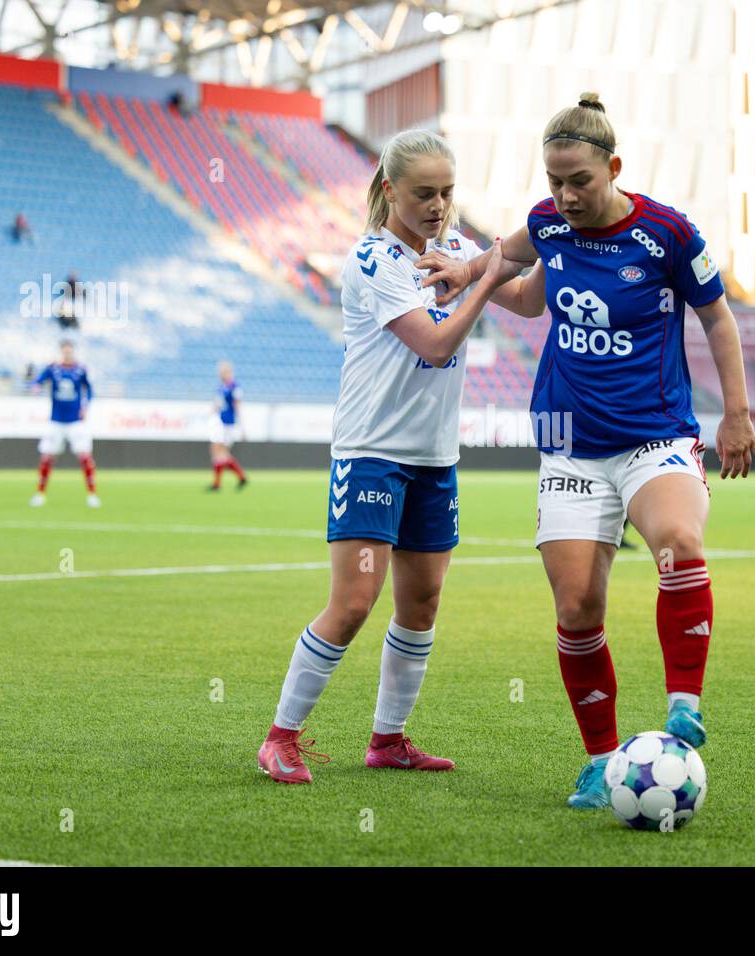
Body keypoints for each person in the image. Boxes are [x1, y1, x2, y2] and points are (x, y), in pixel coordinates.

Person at [420, 93, 755, 809]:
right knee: (578, 606)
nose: (566, 196)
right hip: (569, 447)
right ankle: (602, 761)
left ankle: (684, 704)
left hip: (655, 436)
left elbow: (718, 320)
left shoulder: (669, 233)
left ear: (613, 167)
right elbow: (507, 269)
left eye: (580, 180)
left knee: (679, 543)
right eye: (554, 181)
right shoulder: (549, 224)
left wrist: (736, 413)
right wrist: (468, 277)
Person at [256, 129, 539, 784]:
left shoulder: (458, 250)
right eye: (424, 193)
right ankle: (280, 737)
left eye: (447, 193)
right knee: (355, 601)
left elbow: (525, 300)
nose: (439, 206)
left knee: (422, 604)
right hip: (372, 453)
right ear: (389, 190)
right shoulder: (373, 261)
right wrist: (490, 272)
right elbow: (435, 345)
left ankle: (387, 740)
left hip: (434, 458)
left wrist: (563, 239)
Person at [28, 340, 100, 508]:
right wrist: (35, 386)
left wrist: (85, 406)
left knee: (85, 457)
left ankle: (92, 494)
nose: (67, 354)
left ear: (73, 352)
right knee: (47, 458)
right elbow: (37, 381)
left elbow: (89, 390)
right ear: (61, 352)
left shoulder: (81, 369)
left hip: (76, 421)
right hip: (56, 420)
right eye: (64, 351)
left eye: (69, 351)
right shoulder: (52, 369)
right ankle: (40, 494)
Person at [207, 360, 247, 491]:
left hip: (229, 423)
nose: (223, 374)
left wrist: (242, 428)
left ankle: (219, 483)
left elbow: (237, 406)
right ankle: (240, 478)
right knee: (217, 451)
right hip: (219, 422)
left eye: (224, 372)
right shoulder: (220, 387)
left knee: (222, 453)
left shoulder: (235, 387)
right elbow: (218, 404)